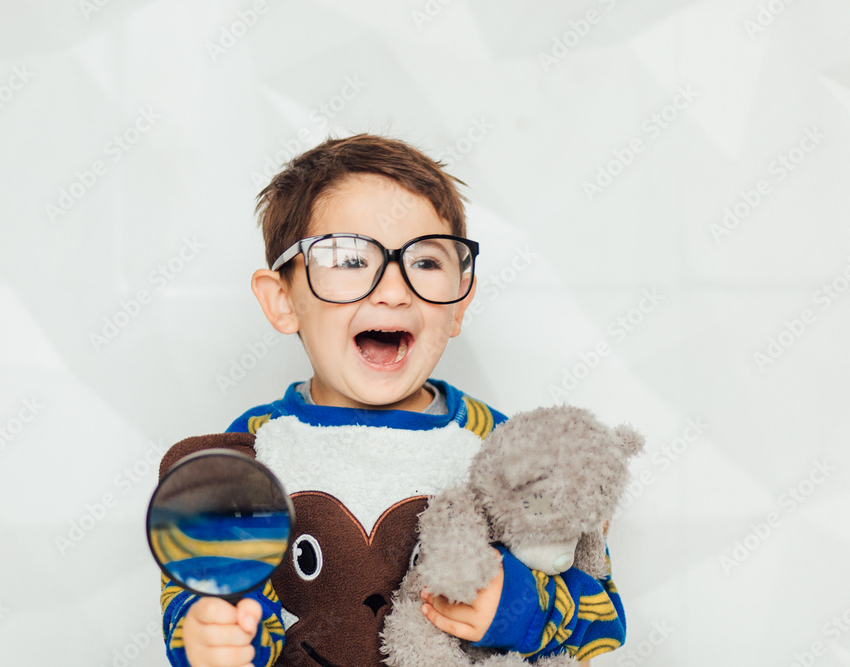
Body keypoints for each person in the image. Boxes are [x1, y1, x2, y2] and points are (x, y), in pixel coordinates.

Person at [160, 134, 626, 666]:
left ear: (460, 304)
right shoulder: (251, 452)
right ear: (282, 299)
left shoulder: (506, 451)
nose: (394, 290)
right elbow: (200, 591)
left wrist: (517, 607)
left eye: (426, 262)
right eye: (349, 258)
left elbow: (603, 620)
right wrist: (213, 636)